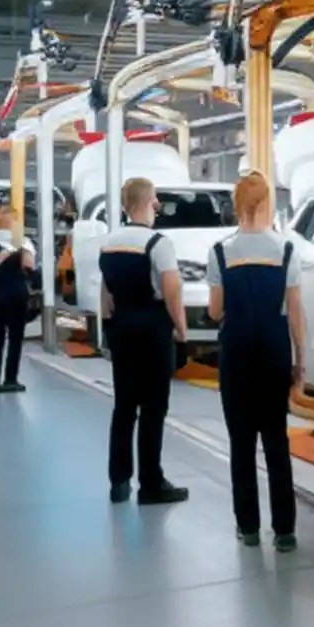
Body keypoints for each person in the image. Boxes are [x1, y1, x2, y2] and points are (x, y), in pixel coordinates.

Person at [206, 171, 303, 551]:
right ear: (264, 205)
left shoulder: (220, 252)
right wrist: (301, 361)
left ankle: (248, 527)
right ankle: (285, 531)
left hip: (237, 355)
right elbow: (295, 311)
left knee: (241, 444)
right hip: (275, 353)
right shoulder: (286, 250)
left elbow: (214, 311)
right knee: (276, 440)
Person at [100, 177, 190, 506]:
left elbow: (106, 295)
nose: (156, 205)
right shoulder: (158, 244)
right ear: (144, 201)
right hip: (152, 329)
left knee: (124, 406)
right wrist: (181, 329)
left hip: (121, 327)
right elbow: (172, 291)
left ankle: (119, 482)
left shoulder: (109, 243)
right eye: (154, 199)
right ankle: (151, 483)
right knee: (153, 407)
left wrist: (108, 329)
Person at [0, 206, 35, 394]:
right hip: (17, 294)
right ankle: (11, 378)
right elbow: (29, 265)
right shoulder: (22, 242)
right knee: (15, 338)